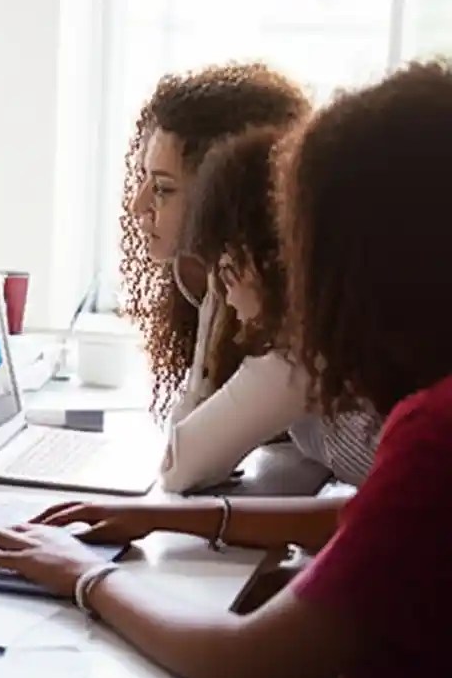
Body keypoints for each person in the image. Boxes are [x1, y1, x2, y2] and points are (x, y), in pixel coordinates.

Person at [0, 60, 452, 678]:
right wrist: (169, 519)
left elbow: (248, 662)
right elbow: (364, 517)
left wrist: (85, 576)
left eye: (305, 248)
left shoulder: (435, 436)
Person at [116, 63, 317, 493]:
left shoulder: (299, 330)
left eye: (164, 189)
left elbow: (181, 466)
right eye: (143, 180)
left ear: (222, 196)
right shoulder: (232, 286)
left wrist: (216, 297)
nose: (138, 205)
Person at [157, 126, 380, 492]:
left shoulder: (301, 356)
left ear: (264, 258)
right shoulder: (325, 330)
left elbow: (179, 467)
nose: (228, 297)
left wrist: (212, 313)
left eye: (226, 274)